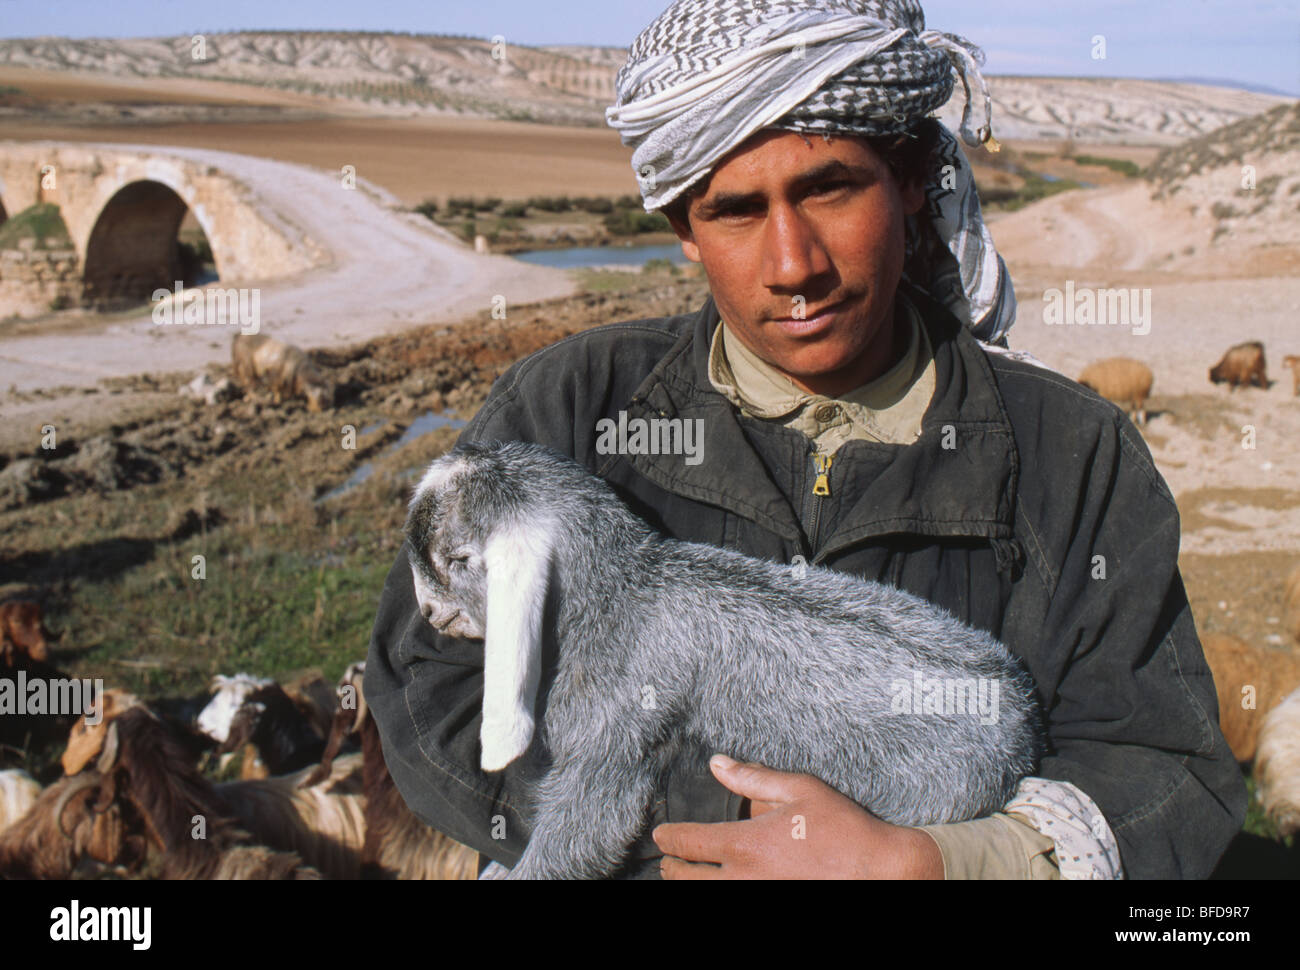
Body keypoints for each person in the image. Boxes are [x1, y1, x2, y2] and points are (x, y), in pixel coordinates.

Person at [365, 0, 1245, 879]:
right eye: (738, 211)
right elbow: (427, 688)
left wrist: (935, 863)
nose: (794, 266)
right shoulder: (568, 407)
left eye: (829, 188)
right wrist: (707, 837)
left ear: (907, 178)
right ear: (683, 229)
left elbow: (1162, 768)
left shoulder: (1072, 452)